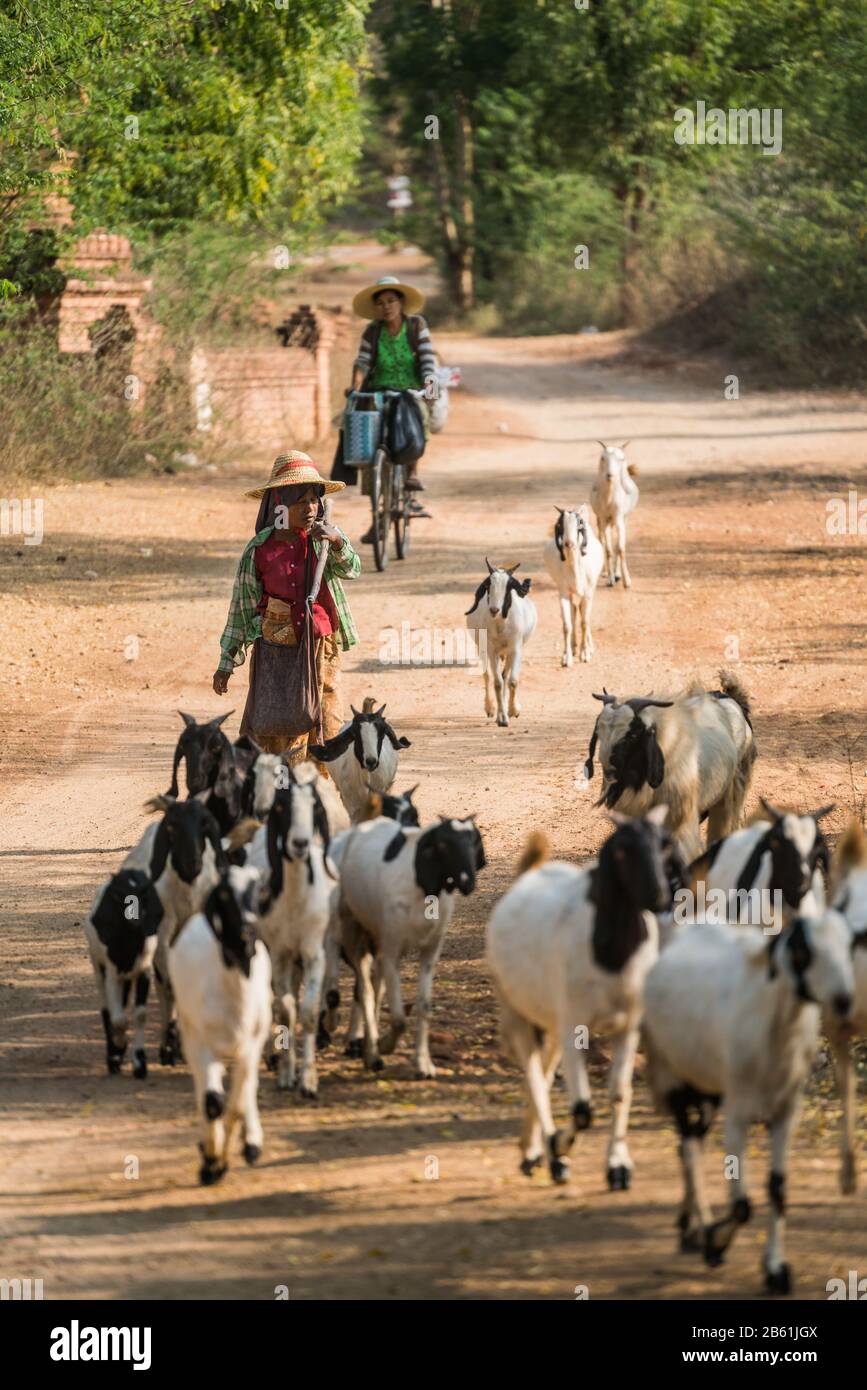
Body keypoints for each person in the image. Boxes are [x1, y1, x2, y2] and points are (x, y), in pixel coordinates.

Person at [212, 450, 361, 764]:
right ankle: (281, 795)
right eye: (299, 500)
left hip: (322, 646)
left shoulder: (324, 539)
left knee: (325, 724)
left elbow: (352, 569)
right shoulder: (260, 550)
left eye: (313, 500)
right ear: (279, 504)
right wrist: (227, 662)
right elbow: (241, 609)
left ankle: (321, 799)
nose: (309, 508)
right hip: (276, 652)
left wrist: (336, 542)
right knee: (278, 726)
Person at [333, 274, 438, 537]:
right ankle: (378, 515)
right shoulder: (373, 330)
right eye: (380, 303)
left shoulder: (416, 326)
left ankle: (412, 475)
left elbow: (427, 359)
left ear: (401, 303)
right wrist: (355, 388)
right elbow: (363, 362)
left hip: (410, 390)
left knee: (418, 420)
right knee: (369, 444)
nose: (386, 306)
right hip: (377, 390)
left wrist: (430, 389)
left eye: (391, 301)